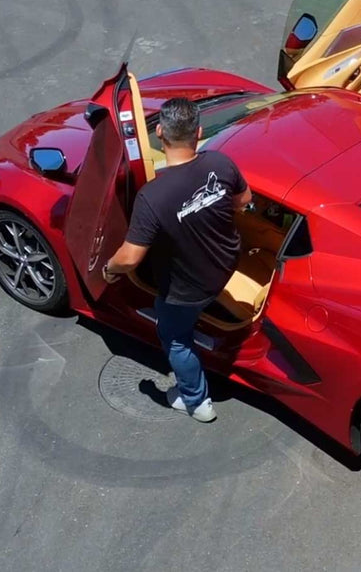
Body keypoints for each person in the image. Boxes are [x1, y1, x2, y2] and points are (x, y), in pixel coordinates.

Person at [101, 97, 251, 423]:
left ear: (159, 134)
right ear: (198, 132)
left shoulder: (153, 196)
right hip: (226, 264)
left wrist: (108, 270)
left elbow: (130, 257)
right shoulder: (221, 164)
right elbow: (244, 201)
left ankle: (196, 401)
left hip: (186, 292)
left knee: (176, 339)